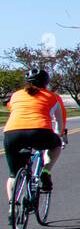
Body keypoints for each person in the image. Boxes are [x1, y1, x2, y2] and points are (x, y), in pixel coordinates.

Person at [4, 66, 67, 202]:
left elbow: (11, 107)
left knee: (13, 175)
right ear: (46, 82)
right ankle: (46, 171)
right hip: (39, 131)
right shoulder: (53, 97)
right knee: (56, 145)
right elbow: (60, 123)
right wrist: (60, 135)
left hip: (12, 133)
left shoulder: (15, 95)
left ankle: (12, 208)